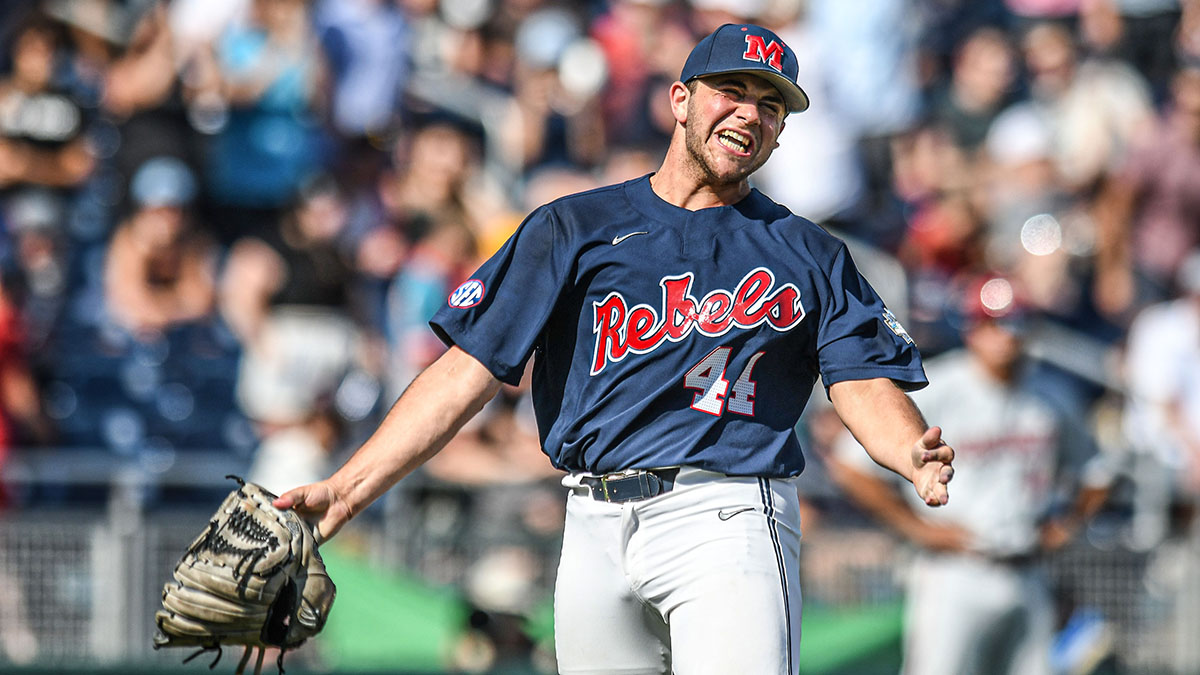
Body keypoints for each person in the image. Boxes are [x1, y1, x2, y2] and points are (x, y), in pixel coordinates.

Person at [274, 24, 956, 674]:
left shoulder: (807, 253)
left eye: (771, 105)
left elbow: (860, 379)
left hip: (727, 514)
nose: (750, 113)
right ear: (680, 100)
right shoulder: (573, 228)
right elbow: (465, 372)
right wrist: (347, 491)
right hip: (592, 521)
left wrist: (908, 451)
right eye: (733, 91)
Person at [824, 276, 1109, 675]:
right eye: (994, 324)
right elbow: (850, 464)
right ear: (973, 328)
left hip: (1028, 569)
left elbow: (1098, 471)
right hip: (955, 569)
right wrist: (915, 527)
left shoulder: (1051, 393)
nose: (1006, 335)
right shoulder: (938, 385)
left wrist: (1068, 523)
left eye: (1016, 322)